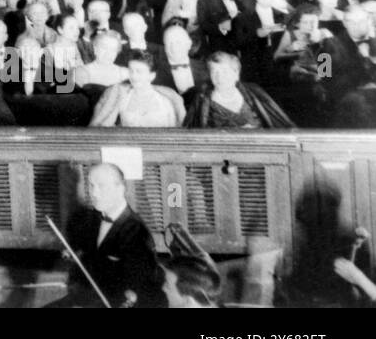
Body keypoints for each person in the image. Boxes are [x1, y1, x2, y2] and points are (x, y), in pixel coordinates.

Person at [51, 162, 167, 308]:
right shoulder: (93, 218)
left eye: (101, 186)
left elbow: (142, 286)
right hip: (86, 297)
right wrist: (73, 252)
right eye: (91, 186)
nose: (94, 193)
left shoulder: (136, 230)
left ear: (120, 189)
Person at [184, 51, 294, 129]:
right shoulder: (202, 100)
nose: (219, 77)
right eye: (214, 72)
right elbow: (194, 136)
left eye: (225, 72)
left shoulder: (253, 92)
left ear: (236, 74)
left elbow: (279, 124)